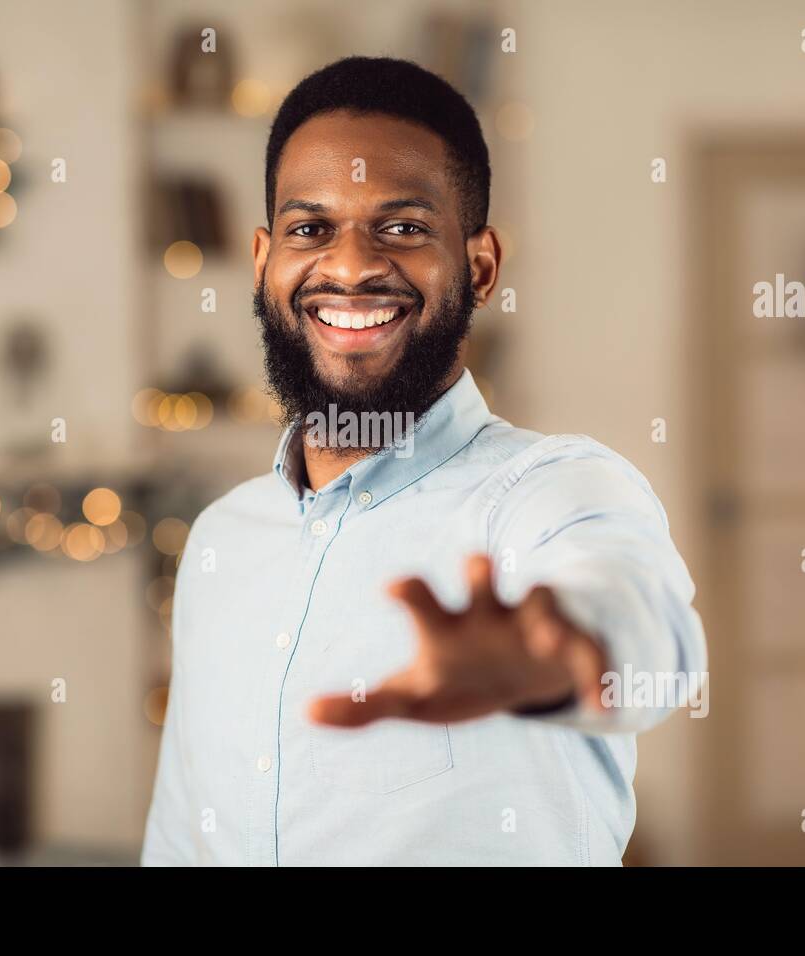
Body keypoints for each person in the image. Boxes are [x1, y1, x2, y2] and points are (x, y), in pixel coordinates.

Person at [143, 56, 706, 866]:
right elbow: (180, 837)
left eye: (402, 228)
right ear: (263, 258)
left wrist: (555, 659)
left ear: (479, 266)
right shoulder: (220, 539)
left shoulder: (552, 489)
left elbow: (646, 631)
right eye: (311, 228)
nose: (349, 266)